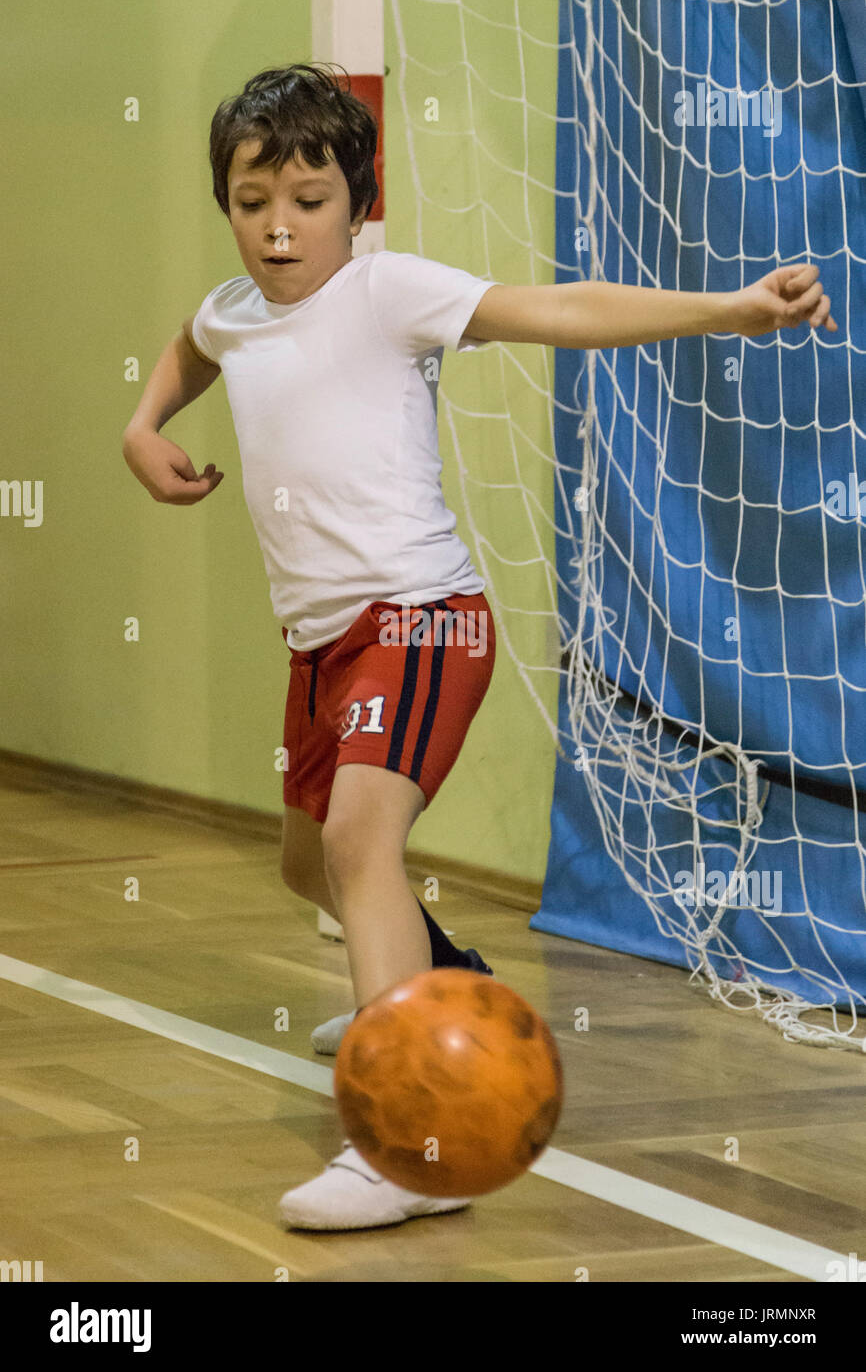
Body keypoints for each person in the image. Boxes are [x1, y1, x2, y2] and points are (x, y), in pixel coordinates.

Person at [121, 62, 836, 1233]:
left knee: (359, 844)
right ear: (227, 205)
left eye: (308, 199)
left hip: (419, 619)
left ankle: (409, 1144)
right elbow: (195, 345)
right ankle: (444, 984)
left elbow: (552, 308)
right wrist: (143, 426)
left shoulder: (386, 290)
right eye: (254, 202)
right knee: (310, 870)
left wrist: (727, 308)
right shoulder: (233, 310)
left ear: (356, 202)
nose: (280, 227)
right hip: (321, 647)